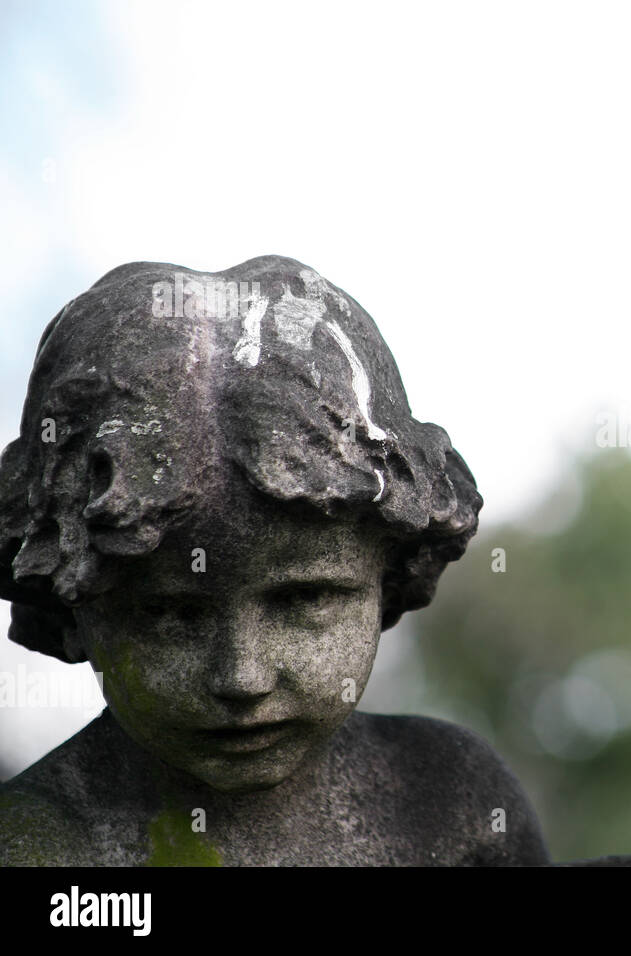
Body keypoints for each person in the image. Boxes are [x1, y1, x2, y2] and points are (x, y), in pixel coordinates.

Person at [0, 256, 549, 865]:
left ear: (389, 577)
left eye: (303, 599)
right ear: (71, 608)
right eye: (170, 613)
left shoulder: (456, 805)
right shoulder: (38, 851)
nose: (242, 678)